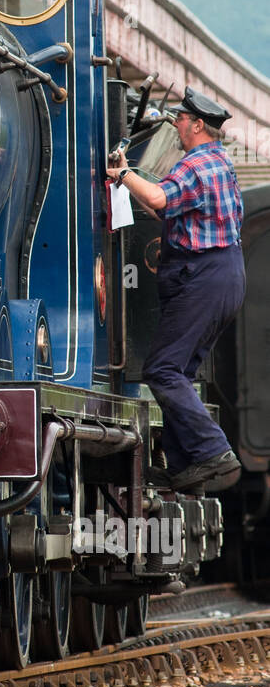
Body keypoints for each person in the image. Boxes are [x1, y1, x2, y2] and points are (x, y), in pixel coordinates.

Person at [107, 87, 245, 492]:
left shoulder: (196, 162)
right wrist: (131, 180)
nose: (177, 125)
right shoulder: (219, 161)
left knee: (162, 370)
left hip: (204, 276)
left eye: (181, 119)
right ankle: (185, 467)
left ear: (198, 124)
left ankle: (214, 452)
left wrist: (123, 174)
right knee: (180, 372)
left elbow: (156, 195)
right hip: (223, 276)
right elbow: (163, 207)